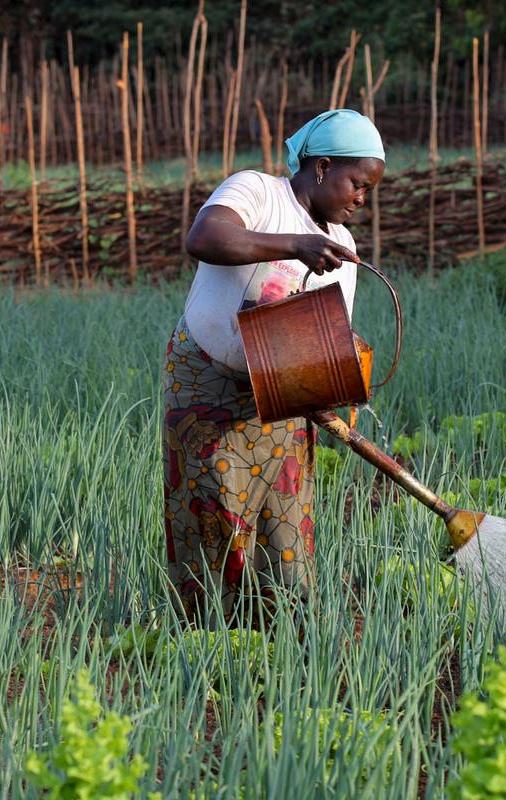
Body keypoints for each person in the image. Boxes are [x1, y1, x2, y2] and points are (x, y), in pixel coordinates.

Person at [164, 109, 386, 621]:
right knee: (212, 513)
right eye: (357, 183)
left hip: (282, 392)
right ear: (324, 166)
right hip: (207, 382)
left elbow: (322, 332)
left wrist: (338, 376)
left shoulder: (342, 247)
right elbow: (204, 238)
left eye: (368, 190)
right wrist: (296, 244)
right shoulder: (258, 192)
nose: (361, 199)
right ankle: (207, 637)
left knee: (283, 523)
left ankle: (281, 638)